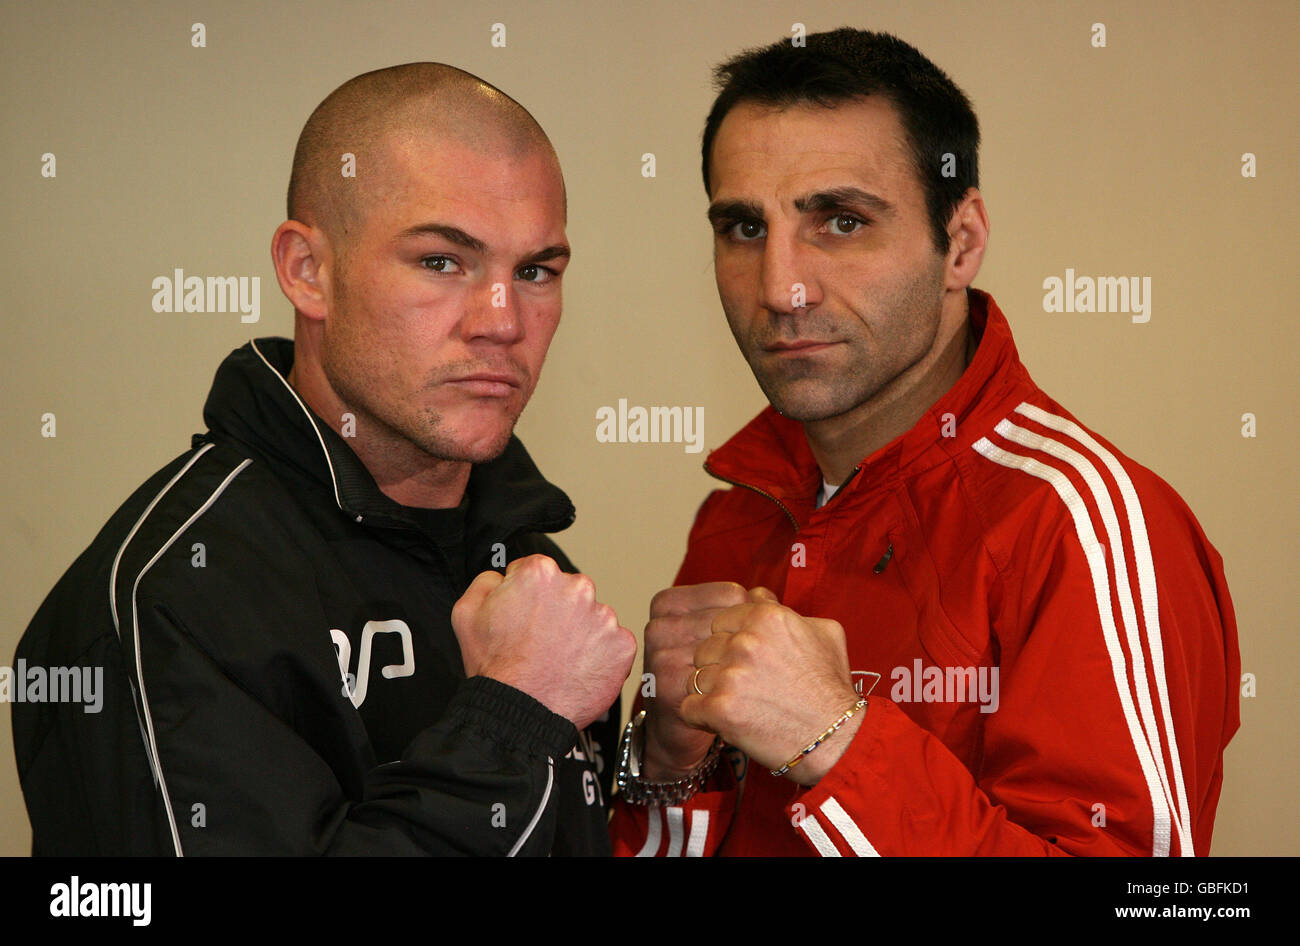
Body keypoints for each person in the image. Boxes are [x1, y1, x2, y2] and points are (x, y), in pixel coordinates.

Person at [610, 29, 1239, 857]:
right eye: (743, 228)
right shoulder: (736, 516)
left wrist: (837, 740)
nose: (781, 287)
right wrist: (666, 763)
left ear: (962, 241)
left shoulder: (1083, 524)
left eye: (841, 220)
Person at [12, 63, 636, 856]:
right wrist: (512, 716)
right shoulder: (165, 602)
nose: (503, 322)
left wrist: (663, 769)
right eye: (443, 262)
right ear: (308, 271)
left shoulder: (529, 563)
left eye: (535, 271)